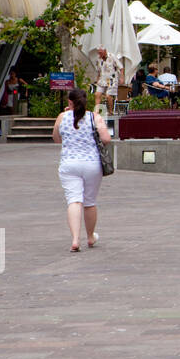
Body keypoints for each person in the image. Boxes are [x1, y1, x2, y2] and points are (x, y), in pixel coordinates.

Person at [53, 87, 111, 252]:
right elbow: (106, 139)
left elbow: (56, 139)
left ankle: (75, 239)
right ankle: (90, 237)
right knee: (89, 202)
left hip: (69, 164)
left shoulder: (62, 117)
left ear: (69, 102)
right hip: (92, 164)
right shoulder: (94, 117)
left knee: (74, 200)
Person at [94, 47, 122, 114]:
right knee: (97, 94)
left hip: (111, 79)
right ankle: (97, 111)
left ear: (105, 51)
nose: (99, 54)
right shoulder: (98, 59)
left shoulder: (112, 57)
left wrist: (121, 77)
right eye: (99, 53)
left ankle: (110, 111)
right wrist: (97, 79)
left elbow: (120, 67)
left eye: (101, 52)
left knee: (108, 95)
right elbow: (98, 70)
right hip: (102, 79)